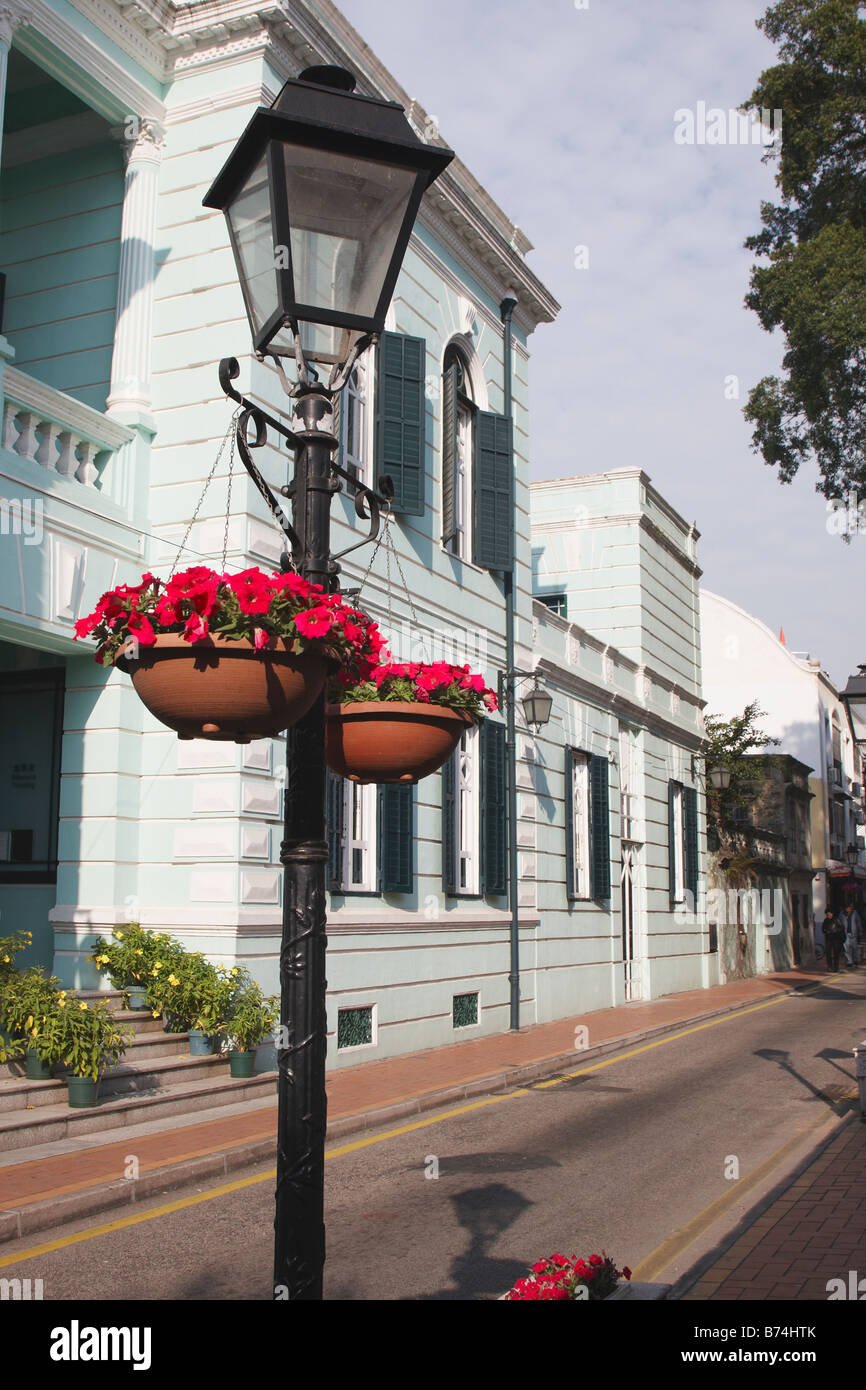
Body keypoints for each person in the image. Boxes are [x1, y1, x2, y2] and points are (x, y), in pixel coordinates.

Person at [842, 903, 862, 968]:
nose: (849, 909)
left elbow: (858, 921)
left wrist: (860, 930)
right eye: (848, 908)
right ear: (845, 908)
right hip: (845, 933)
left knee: (854, 947)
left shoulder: (855, 913)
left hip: (853, 932)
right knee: (847, 948)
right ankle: (849, 961)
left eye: (850, 908)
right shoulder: (842, 914)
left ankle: (855, 960)